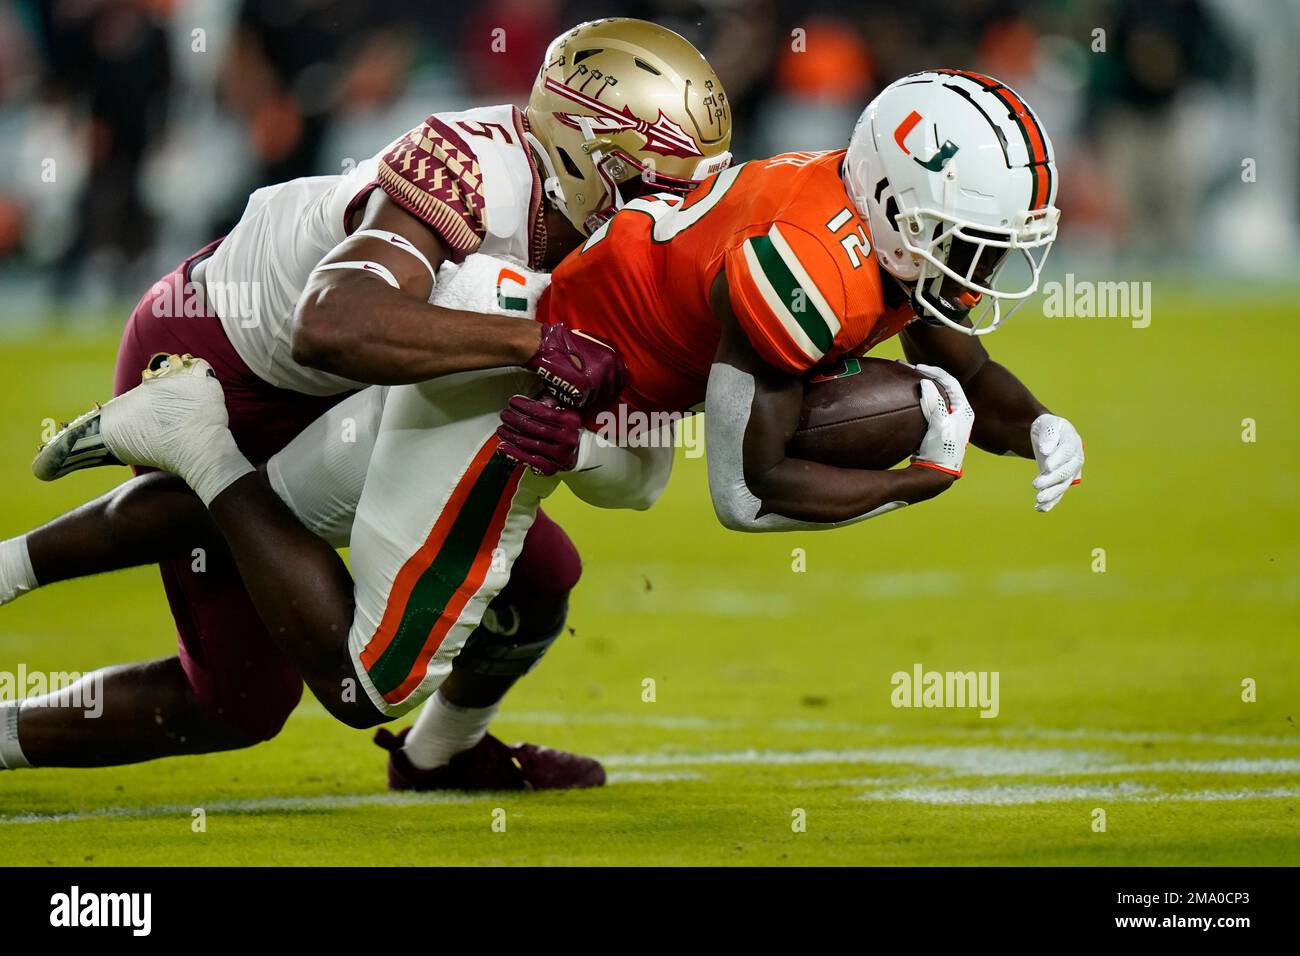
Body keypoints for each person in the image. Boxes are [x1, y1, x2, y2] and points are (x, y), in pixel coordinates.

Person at [0, 20, 732, 787]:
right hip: (220, 356)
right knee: (237, 701)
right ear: (584, 152)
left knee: (540, 576)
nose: (674, 210)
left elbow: (642, 458)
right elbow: (333, 323)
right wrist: (534, 342)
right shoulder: (468, 168)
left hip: (363, 377)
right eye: (659, 185)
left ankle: (439, 755)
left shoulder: (597, 226)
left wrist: (585, 436)